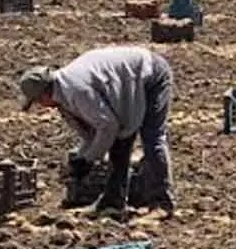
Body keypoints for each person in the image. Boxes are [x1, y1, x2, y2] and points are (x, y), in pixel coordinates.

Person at [17, 46, 175, 215]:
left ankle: (161, 204)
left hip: (150, 74)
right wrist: (81, 157)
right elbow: (92, 135)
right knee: (119, 145)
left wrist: (88, 160)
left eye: (38, 102)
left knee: (153, 138)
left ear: (44, 95)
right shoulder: (62, 94)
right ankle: (112, 203)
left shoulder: (76, 90)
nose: (41, 106)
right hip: (125, 88)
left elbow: (107, 127)